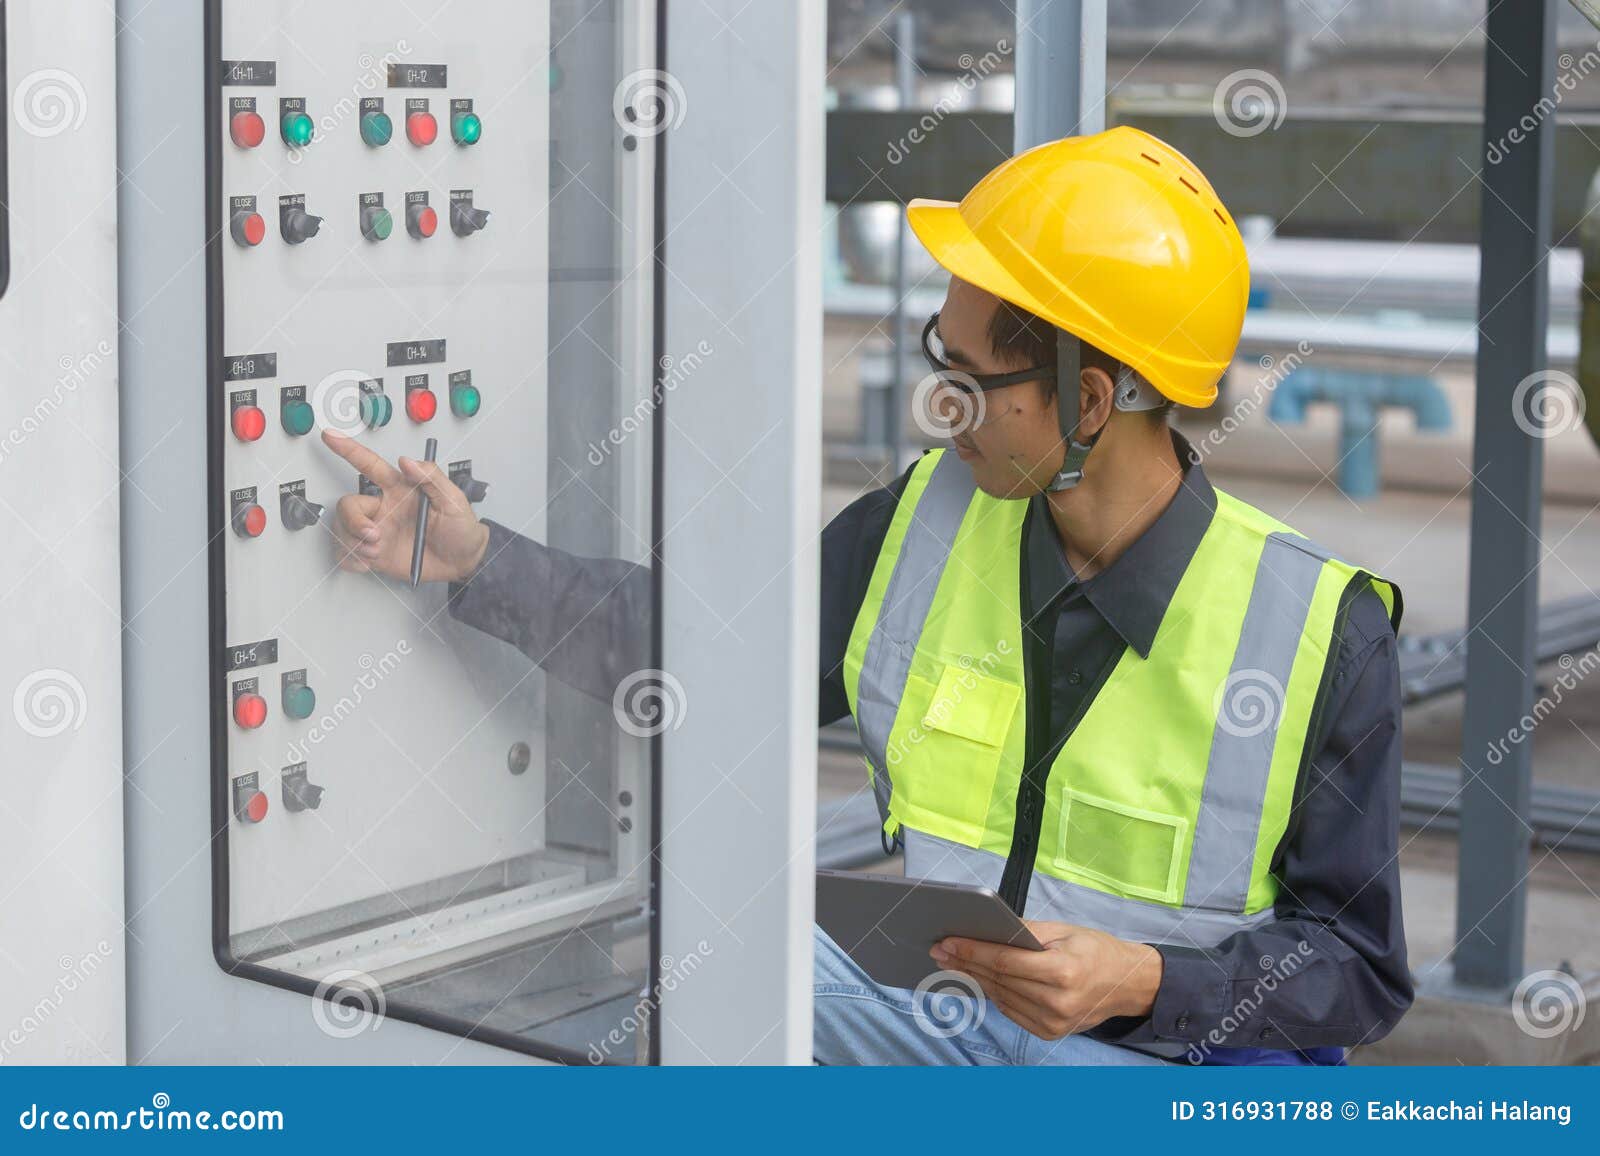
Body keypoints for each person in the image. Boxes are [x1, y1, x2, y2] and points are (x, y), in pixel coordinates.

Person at [321, 126, 1412, 1066]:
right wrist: (478, 559)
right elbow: (705, 658)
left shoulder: (1317, 630)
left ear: (1087, 399)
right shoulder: (929, 526)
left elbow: (1358, 968)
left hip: (1178, 1069)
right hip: (949, 1028)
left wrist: (1141, 979)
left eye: (969, 374)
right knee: (687, 990)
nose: (943, 403)